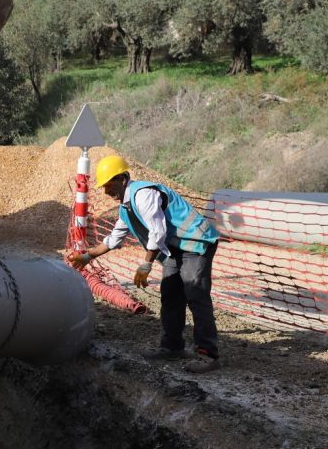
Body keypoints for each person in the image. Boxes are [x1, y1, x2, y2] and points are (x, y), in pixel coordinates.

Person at [69, 155, 222, 374]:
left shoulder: (143, 194)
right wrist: (87, 257)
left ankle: (208, 354)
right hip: (175, 248)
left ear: (122, 179)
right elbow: (115, 238)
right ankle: (172, 347)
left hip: (197, 243)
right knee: (170, 294)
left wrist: (145, 265)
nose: (106, 191)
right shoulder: (126, 207)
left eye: (109, 185)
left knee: (195, 295)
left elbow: (157, 231)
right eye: (103, 187)